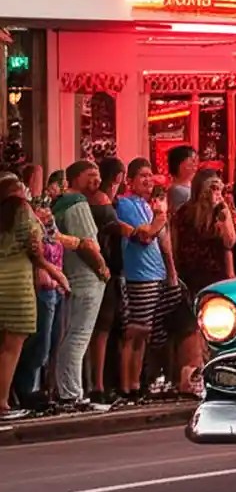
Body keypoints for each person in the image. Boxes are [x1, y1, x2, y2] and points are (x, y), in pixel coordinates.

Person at [0, 177, 69, 421]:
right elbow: (35, 250)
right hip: (17, 282)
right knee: (12, 346)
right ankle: (3, 403)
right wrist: (57, 273)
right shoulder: (23, 211)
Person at [114, 158, 180, 403]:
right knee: (135, 331)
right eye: (142, 175)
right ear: (129, 180)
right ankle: (126, 385)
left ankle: (136, 382)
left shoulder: (145, 205)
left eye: (150, 175)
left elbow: (159, 240)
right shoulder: (127, 204)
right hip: (138, 275)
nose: (147, 180)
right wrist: (158, 222)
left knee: (146, 332)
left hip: (155, 273)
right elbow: (143, 236)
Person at [51, 160, 111, 410]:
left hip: (72, 276)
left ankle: (69, 390)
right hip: (85, 277)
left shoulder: (61, 204)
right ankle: (71, 393)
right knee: (79, 335)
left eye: (98, 174)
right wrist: (102, 269)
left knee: (72, 334)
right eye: (90, 175)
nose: (96, 179)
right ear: (75, 179)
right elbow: (88, 244)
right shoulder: (77, 203)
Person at [170, 169, 236, 395]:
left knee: (205, 326)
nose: (215, 193)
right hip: (201, 273)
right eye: (212, 187)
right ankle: (194, 375)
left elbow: (228, 241)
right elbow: (229, 242)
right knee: (199, 326)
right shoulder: (186, 213)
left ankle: (200, 374)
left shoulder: (215, 212)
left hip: (207, 273)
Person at [88, 157, 125, 403]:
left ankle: (104, 382)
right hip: (105, 268)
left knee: (106, 329)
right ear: (119, 177)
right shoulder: (101, 201)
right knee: (101, 328)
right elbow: (116, 228)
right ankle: (98, 385)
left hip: (108, 268)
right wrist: (141, 229)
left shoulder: (103, 200)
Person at [165, 145, 199, 212]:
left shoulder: (192, 186)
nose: (195, 165)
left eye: (196, 161)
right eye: (192, 160)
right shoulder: (177, 190)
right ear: (179, 164)